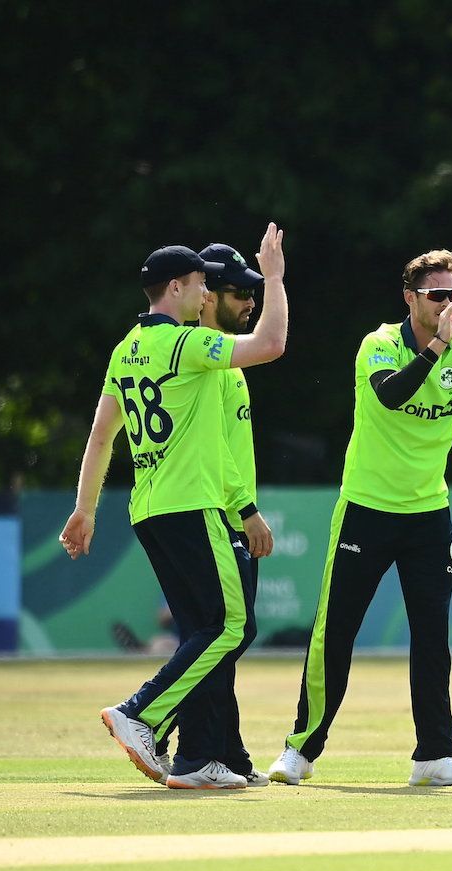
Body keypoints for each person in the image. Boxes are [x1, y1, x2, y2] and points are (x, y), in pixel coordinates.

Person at [268, 249, 452, 788]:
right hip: (366, 508)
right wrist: (438, 346)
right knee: (336, 631)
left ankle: (435, 756)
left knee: (432, 637)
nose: (447, 304)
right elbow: (391, 395)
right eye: (436, 295)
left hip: (428, 515)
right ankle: (300, 749)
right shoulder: (378, 343)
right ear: (410, 299)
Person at [60, 225, 289, 789]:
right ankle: (141, 715)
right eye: (200, 286)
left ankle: (206, 757)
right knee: (232, 625)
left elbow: (101, 435)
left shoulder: (125, 350)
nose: (207, 294)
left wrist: (85, 508)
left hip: (150, 510)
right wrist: (275, 278)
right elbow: (270, 345)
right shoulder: (185, 344)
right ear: (180, 287)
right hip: (195, 504)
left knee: (205, 631)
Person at [150, 242, 275, 783]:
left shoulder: (224, 360)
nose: (250, 302)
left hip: (224, 516)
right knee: (223, 634)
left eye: (253, 292)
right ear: (206, 297)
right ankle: (178, 741)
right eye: (239, 293)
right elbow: (216, 453)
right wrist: (245, 510)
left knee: (222, 637)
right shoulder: (203, 361)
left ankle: (222, 752)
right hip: (218, 517)